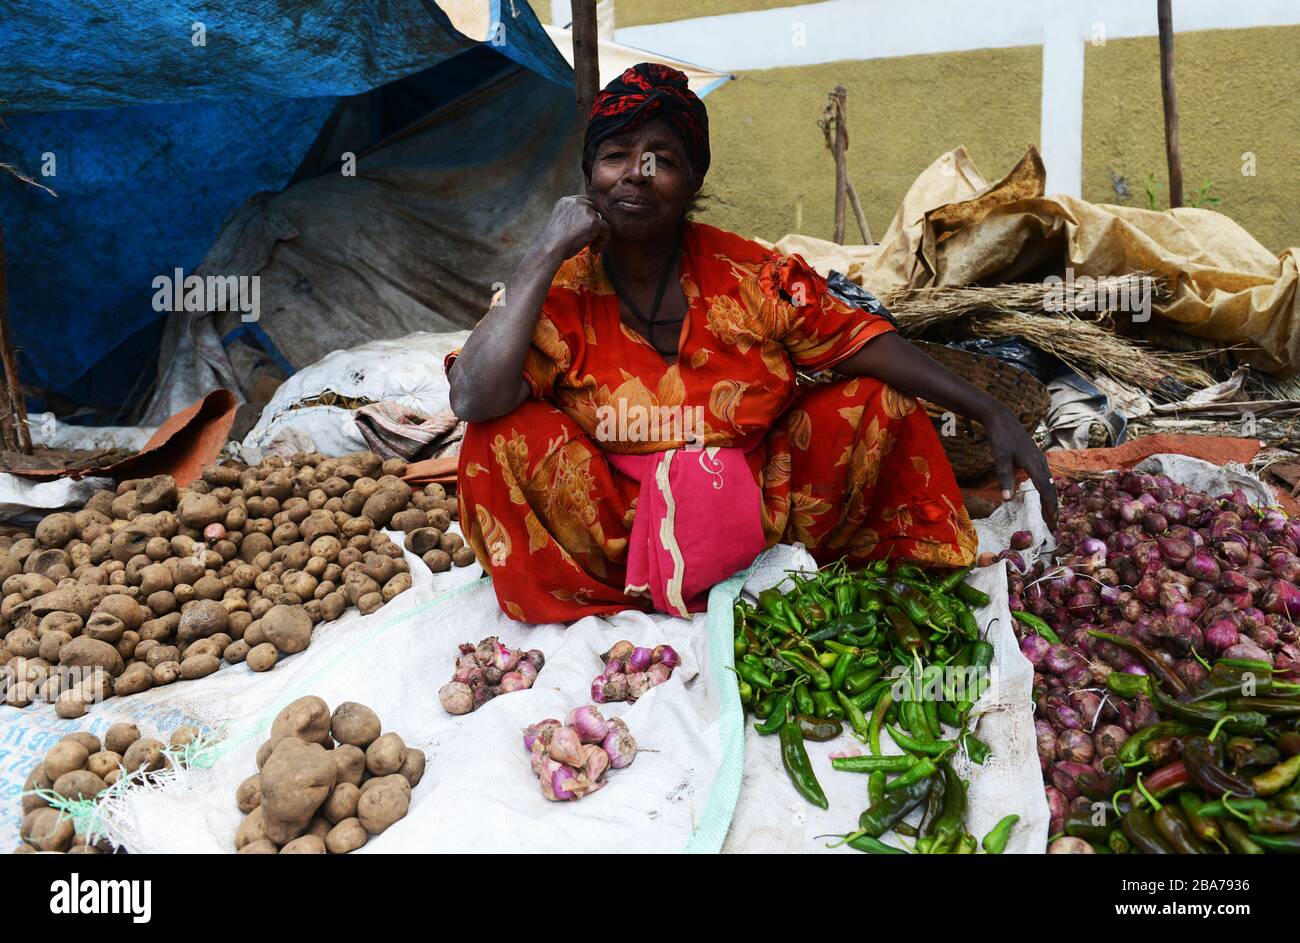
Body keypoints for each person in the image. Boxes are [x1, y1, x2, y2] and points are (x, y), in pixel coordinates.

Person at [447, 63, 1056, 623]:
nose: (637, 171)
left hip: (760, 513)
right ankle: (608, 597)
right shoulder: (559, 287)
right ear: (589, 177)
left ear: (692, 180)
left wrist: (989, 408)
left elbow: (861, 339)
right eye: (615, 156)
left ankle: (871, 567)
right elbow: (473, 396)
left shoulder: (749, 273)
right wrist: (543, 254)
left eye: (663, 157)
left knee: (878, 400)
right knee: (494, 433)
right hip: (613, 531)